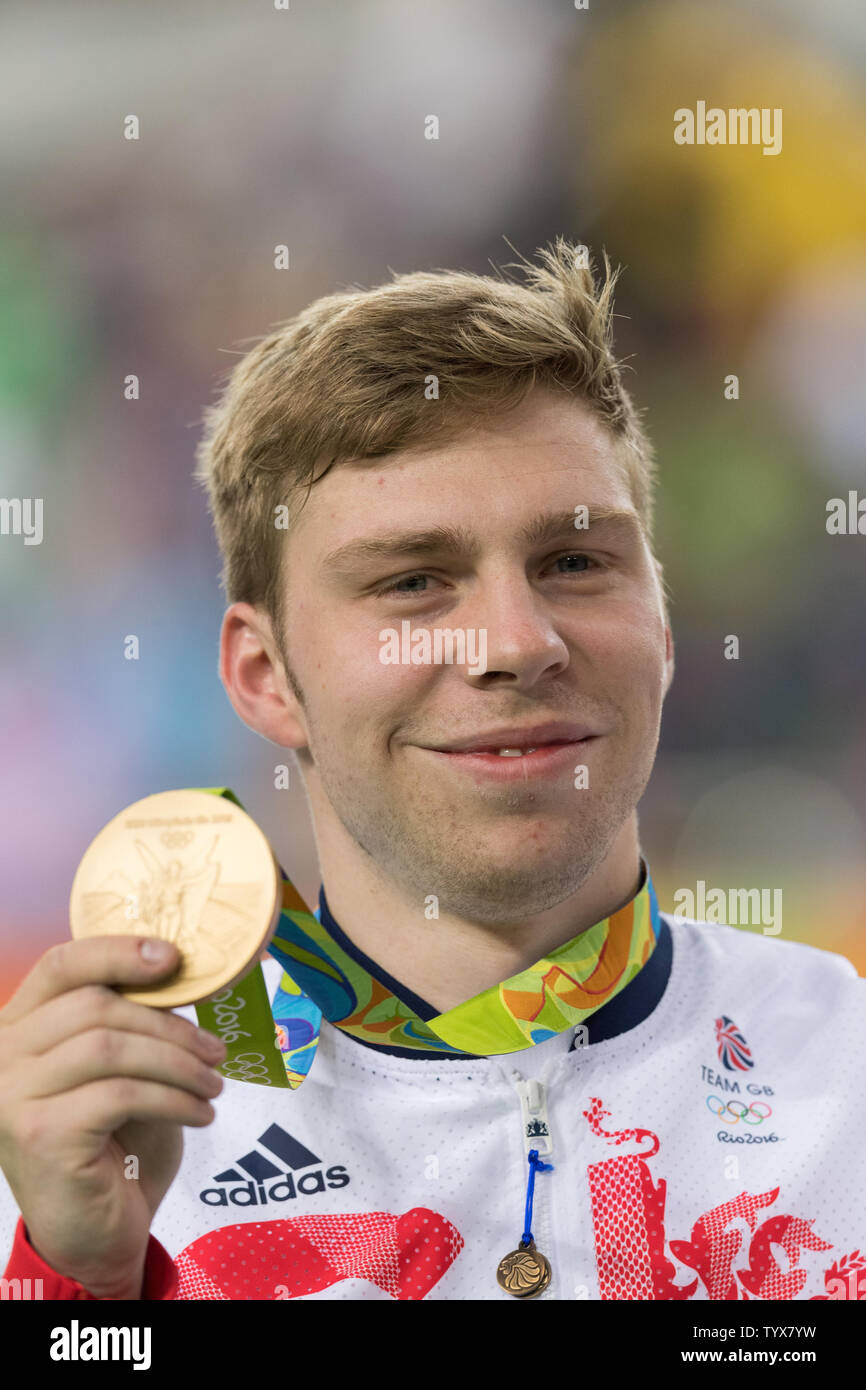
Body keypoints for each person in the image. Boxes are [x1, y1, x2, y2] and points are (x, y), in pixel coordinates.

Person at [1, 239, 864, 1302]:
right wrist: (79, 1285)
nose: (515, 640)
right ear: (265, 675)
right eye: (413, 581)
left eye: (574, 562)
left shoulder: (846, 1077)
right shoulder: (84, 1155)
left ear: (663, 623)